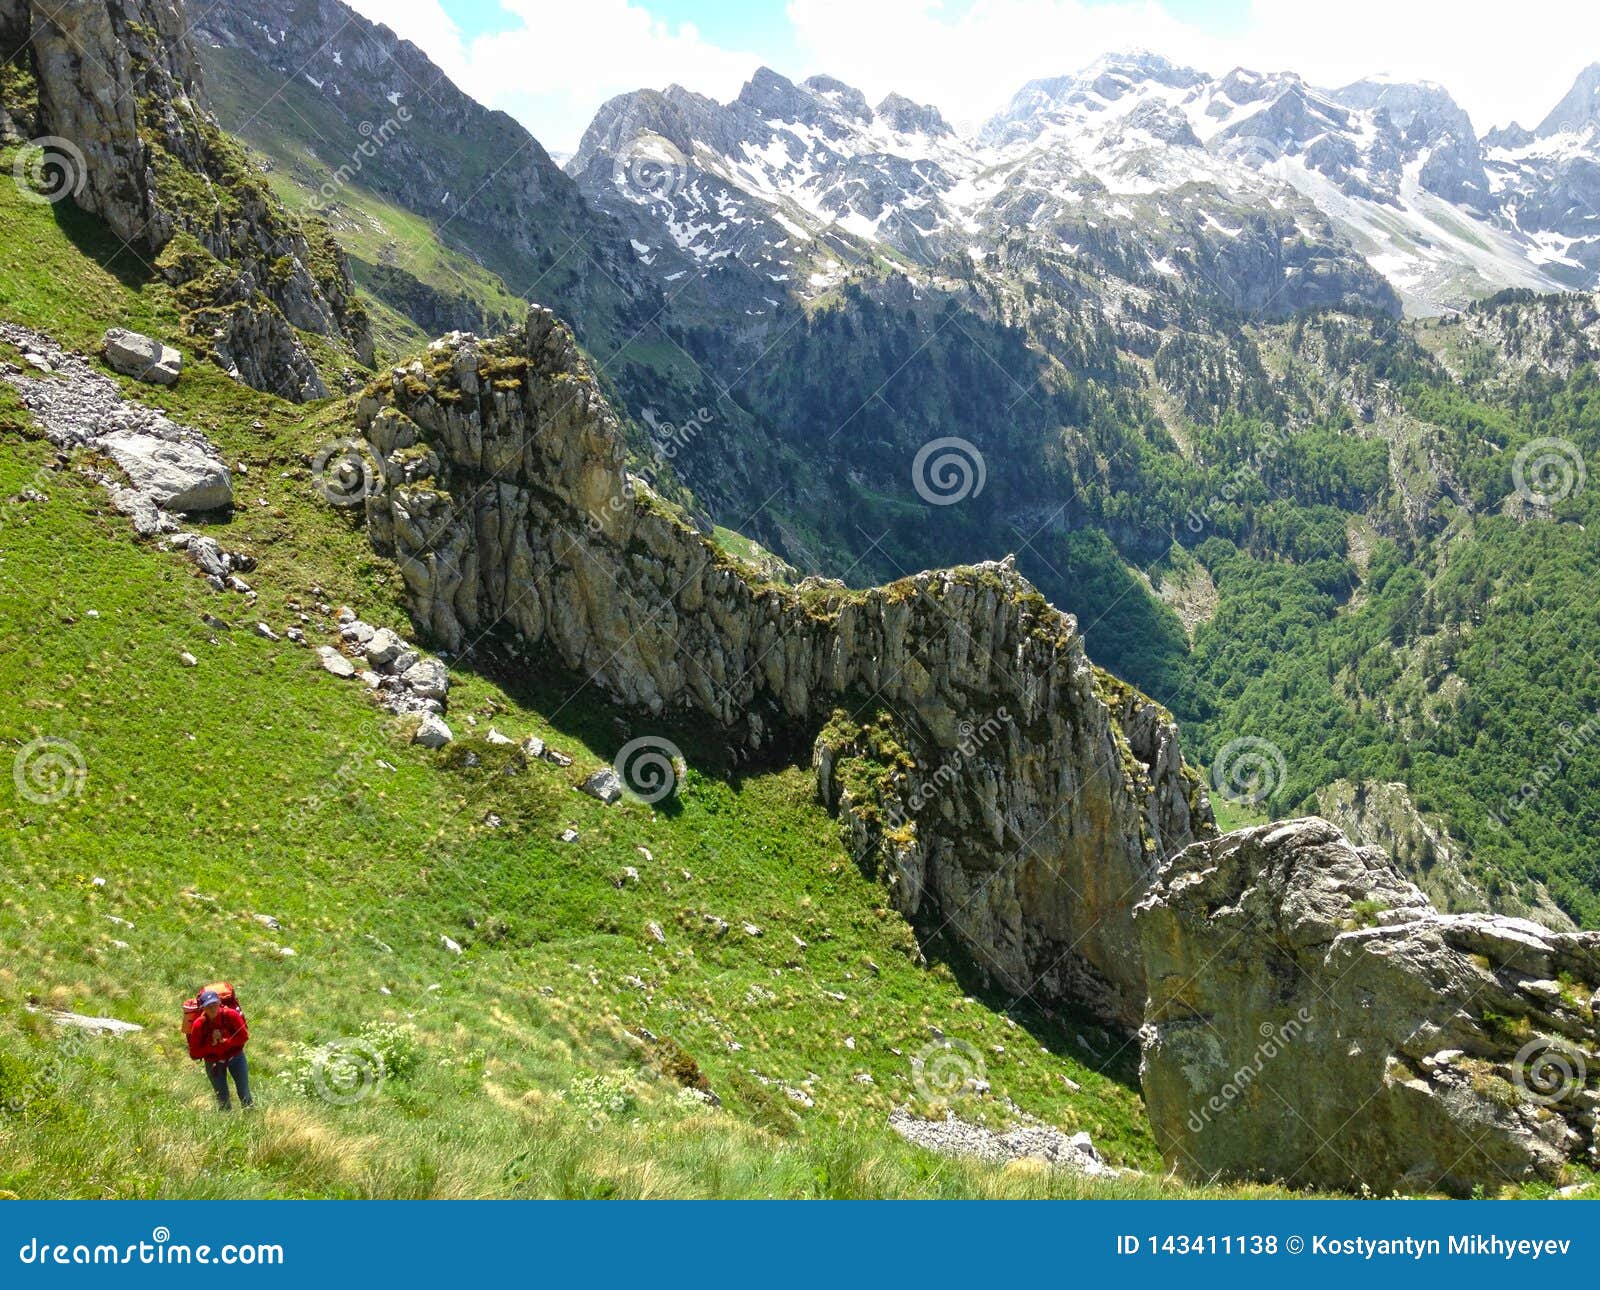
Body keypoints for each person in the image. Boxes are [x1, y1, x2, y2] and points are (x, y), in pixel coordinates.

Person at [188, 989, 252, 1110]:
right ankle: (226, 1122)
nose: (212, 1009)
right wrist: (212, 1045)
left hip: (236, 1057)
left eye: (214, 1004)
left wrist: (225, 1042)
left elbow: (244, 1036)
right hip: (213, 1063)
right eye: (208, 1006)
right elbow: (194, 1053)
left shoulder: (231, 1015)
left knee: (244, 1092)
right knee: (222, 1097)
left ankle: (251, 1117)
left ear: (219, 1003)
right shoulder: (198, 1025)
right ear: (203, 1008)